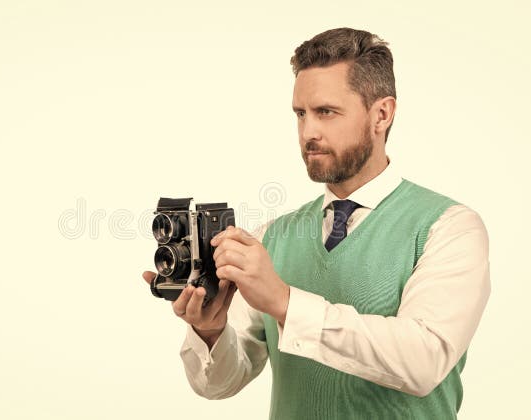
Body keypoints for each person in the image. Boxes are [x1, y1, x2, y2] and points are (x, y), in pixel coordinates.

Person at [142, 27, 490, 419]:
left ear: (382, 114)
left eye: (326, 112)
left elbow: (424, 361)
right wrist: (210, 330)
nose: (309, 132)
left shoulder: (449, 227)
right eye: (300, 114)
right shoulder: (273, 237)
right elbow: (220, 383)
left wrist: (284, 302)